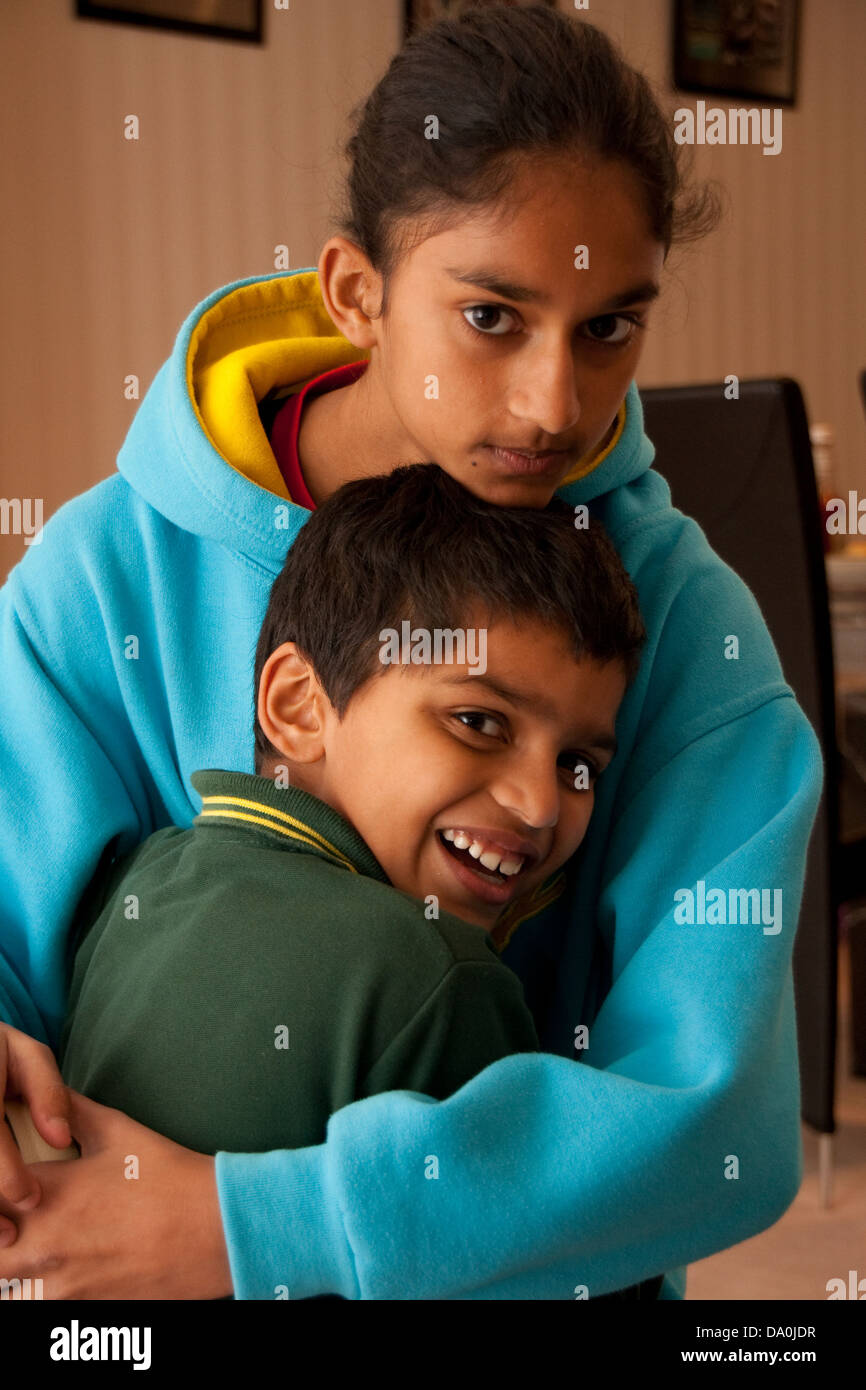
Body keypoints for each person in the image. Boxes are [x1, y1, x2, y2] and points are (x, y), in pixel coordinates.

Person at [0, 5, 821, 1300]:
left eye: (610, 326)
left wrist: (251, 1225)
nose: (554, 404)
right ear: (355, 292)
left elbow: (713, 1128)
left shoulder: (690, 632)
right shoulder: (97, 579)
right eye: (493, 314)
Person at [56, 462, 658, 1300]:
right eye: (478, 721)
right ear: (300, 705)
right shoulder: (442, 979)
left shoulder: (141, 886)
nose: (538, 803)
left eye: (578, 764)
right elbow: (567, 1263)